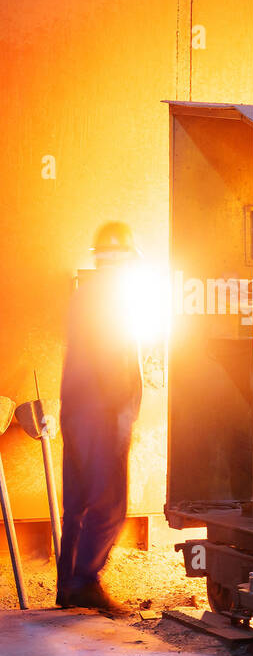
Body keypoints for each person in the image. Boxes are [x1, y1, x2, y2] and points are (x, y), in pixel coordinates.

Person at [55, 222, 143, 613]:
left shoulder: (83, 294)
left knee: (76, 504)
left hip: (74, 414)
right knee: (108, 503)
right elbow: (116, 364)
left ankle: (67, 589)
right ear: (126, 258)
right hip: (102, 416)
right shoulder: (118, 300)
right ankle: (84, 583)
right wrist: (123, 414)